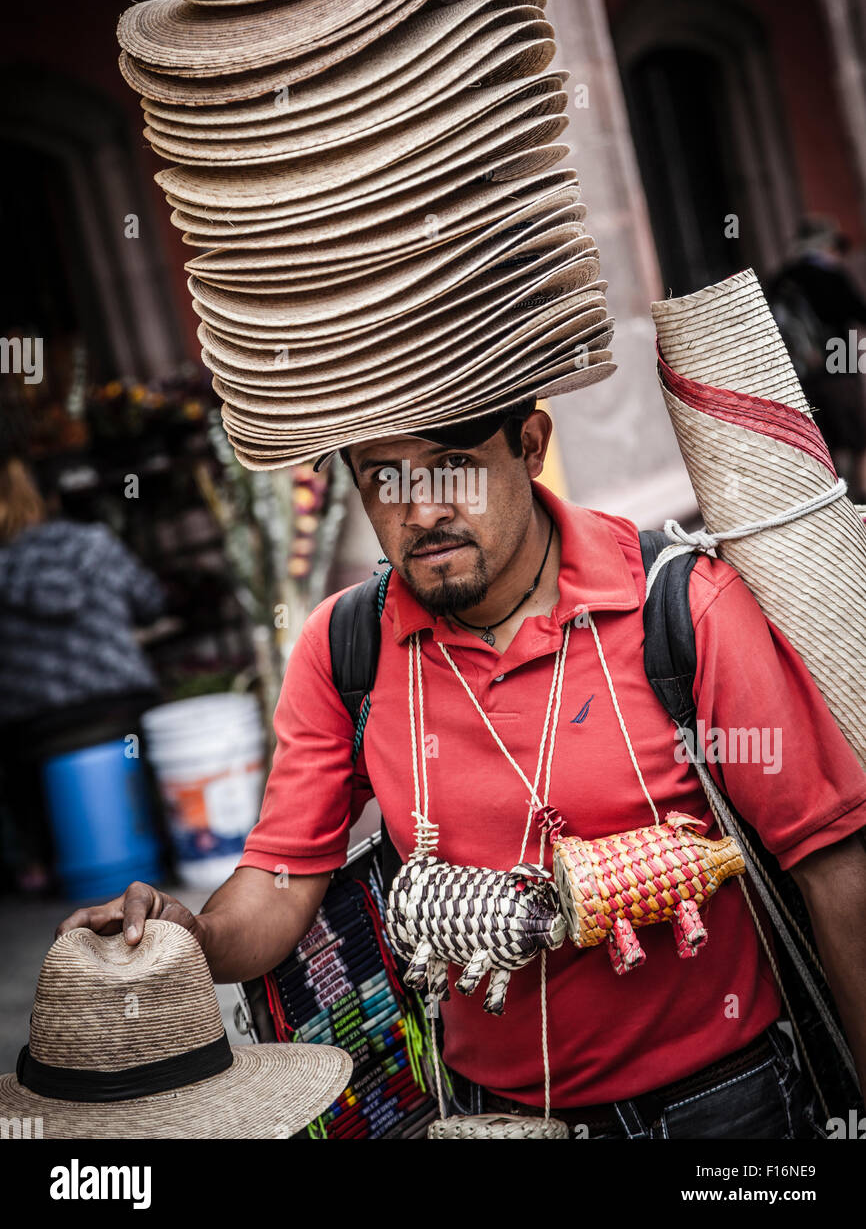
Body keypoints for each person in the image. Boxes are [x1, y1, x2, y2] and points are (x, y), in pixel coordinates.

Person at [58, 402, 866, 1138]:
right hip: (487, 1119)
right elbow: (281, 879)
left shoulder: (679, 607)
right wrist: (192, 939)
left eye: (455, 464)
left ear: (531, 445)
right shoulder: (348, 649)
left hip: (723, 1112)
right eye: (385, 477)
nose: (425, 510)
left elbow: (832, 867)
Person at [0, 456, 166, 890]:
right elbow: (151, 602)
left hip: (35, 729)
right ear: (54, 501)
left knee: (13, 763)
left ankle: (38, 866)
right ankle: (162, 845)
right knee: (149, 745)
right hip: (121, 709)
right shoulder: (95, 543)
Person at [768, 217, 866, 501]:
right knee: (857, 431)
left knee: (824, 433)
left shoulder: (781, 278)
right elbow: (858, 310)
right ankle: (857, 496)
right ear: (825, 245)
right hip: (839, 361)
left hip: (801, 370)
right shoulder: (831, 275)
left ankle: (833, 493)